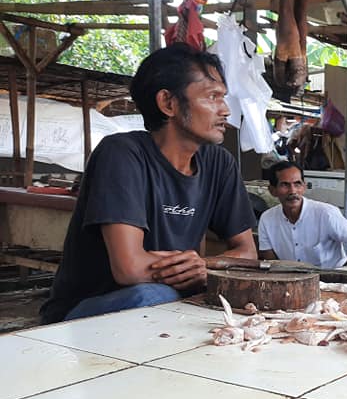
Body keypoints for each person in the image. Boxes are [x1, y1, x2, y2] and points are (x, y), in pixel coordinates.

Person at [41, 44, 257, 324]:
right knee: (155, 297)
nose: (225, 110)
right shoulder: (121, 154)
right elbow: (130, 270)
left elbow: (248, 254)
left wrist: (206, 266)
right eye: (212, 97)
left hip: (162, 301)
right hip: (84, 314)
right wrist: (200, 269)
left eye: (223, 98)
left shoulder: (220, 164)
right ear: (168, 103)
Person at [258, 161, 347, 267]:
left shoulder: (326, 213)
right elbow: (271, 262)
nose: (292, 191)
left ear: (304, 187)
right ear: (272, 190)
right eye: (285, 185)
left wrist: (344, 274)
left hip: (330, 280)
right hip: (290, 280)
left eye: (297, 184)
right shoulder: (267, 219)